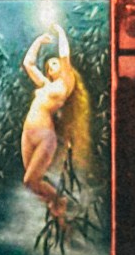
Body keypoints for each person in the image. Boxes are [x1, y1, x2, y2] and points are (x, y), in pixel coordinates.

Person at [19, 20, 94, 237]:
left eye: (55, 63)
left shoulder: (66, 83)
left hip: (45, 137)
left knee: (30, 180)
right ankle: (60, 220)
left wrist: (60, 31)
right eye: (49, 65)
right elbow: (28, 64)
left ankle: (59, 201)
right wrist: (39, 41)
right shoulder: (45, 85)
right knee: (33, 184)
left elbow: (64, 55)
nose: (51, 65)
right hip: (27, 134)